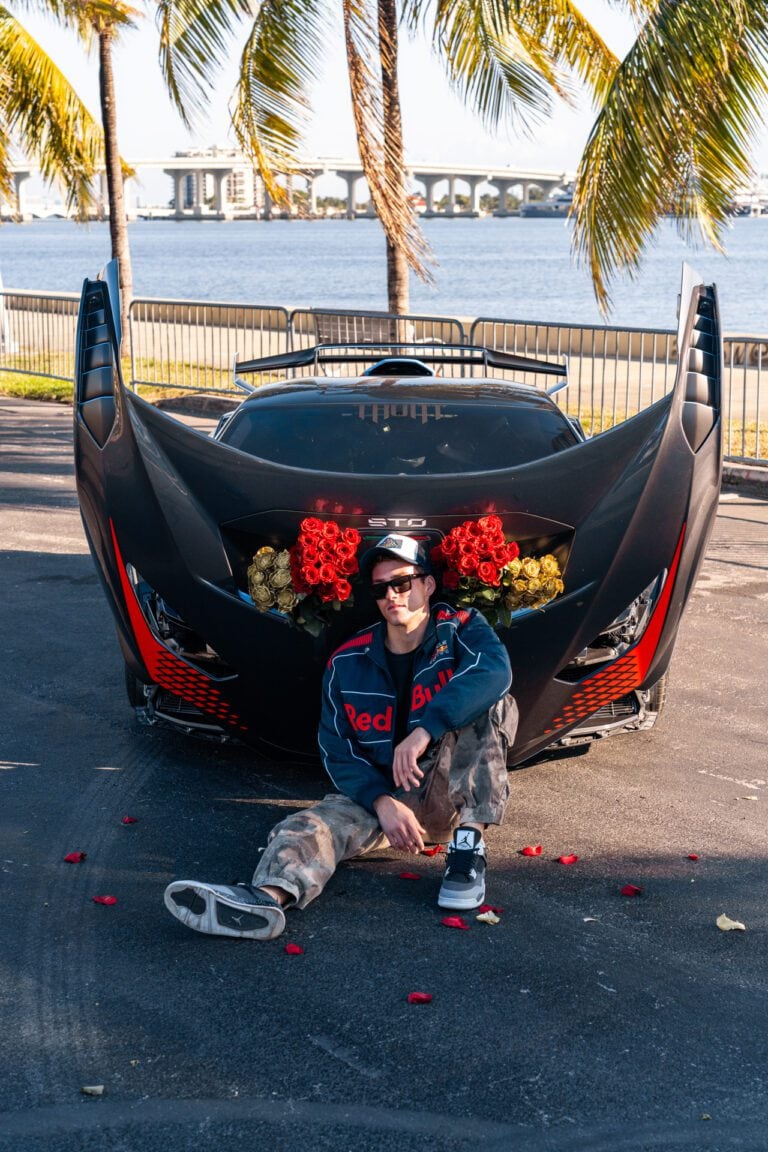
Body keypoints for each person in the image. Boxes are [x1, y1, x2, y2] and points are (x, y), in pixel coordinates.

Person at [164, 533, 518, 941]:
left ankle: (468, 851)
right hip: (386, 801)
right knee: (309, 824)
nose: (392, 596)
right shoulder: (348, 662)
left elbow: (494, 673)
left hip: (449, 788)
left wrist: (425, 730)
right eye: (381, 588)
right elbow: (336, 750)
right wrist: (381, 801)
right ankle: (263, 902)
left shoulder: (461, 629)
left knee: (492, 703)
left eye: (402, 583)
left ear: (428, 585)